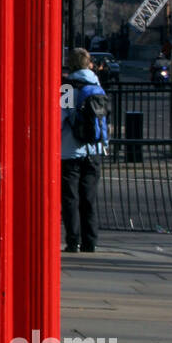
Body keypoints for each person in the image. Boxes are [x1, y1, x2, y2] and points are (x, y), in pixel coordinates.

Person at [61, 47, 108, 254]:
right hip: (94, 149)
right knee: (89, 198)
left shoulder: (67, 86)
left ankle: (73, 241)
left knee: (71, 198)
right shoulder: (97, 84)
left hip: (71, 149)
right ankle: (91, 241)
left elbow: (61, 117)